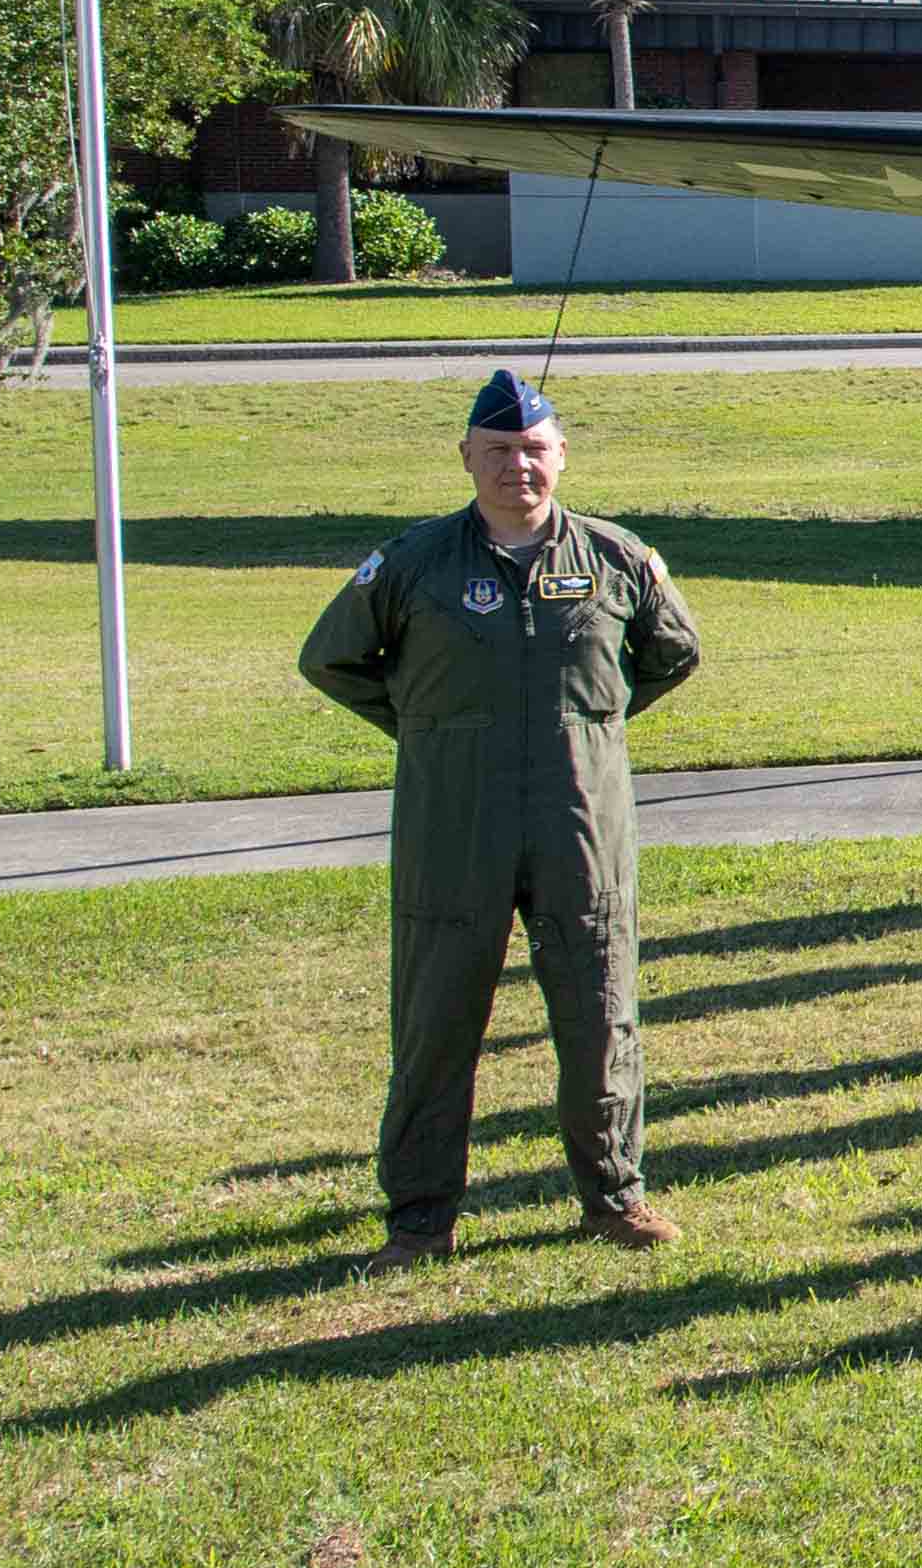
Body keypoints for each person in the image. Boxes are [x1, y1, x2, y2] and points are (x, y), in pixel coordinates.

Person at [295, 369, 704, 1275]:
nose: (517, 467)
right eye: (498, 452)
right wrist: (433, 727)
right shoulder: (414, 564)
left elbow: (673, 653)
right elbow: (332, 659)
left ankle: (614, 1196)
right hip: (454, 826)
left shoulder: (614, 558)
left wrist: (588, 728)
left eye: (533, 450)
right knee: (436, 1020)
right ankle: (420, 1218)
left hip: (579, 825)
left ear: (560, 456)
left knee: (600, 1011)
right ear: (467, 460)